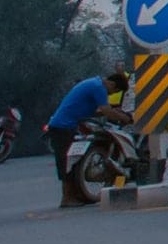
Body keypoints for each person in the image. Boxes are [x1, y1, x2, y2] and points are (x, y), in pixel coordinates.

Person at [45, 69, 132, 207]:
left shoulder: (93, 83)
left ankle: (78, 195)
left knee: (73, 162)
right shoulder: (98, 87)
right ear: (112, 85)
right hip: (62, 127)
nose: (110, 95)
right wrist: (125, 118)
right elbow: (106, 111)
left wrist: (116, 113)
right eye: (112, 92)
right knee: (66, 163)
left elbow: (96, 112)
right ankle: (67, 198)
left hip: (67, 126)